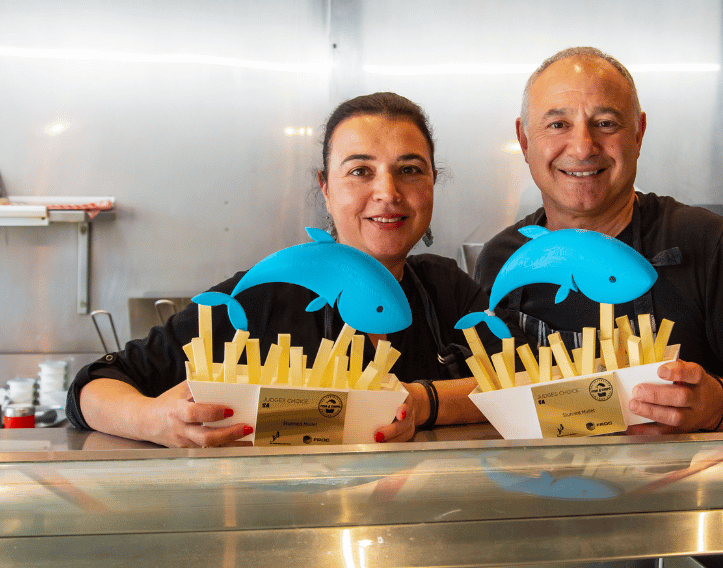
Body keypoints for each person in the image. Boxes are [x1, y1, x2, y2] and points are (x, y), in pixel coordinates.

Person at [67, 92, 508, 447]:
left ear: (432, 183)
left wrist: (422, 402)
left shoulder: (446, 289)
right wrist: (152, 418)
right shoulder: (262, 297)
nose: (387, 192)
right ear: (326, 188)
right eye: (360, 171)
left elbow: (524, 386)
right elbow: (93, 387)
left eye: (409, 170)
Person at [475, 47, 723, 434]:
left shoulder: (707, 244)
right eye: (558, 124)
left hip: (684, 475)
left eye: (605, 123)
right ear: (525, 140)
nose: (582, 147)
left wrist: (720, 405)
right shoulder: (502, 260)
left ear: (638, 133)